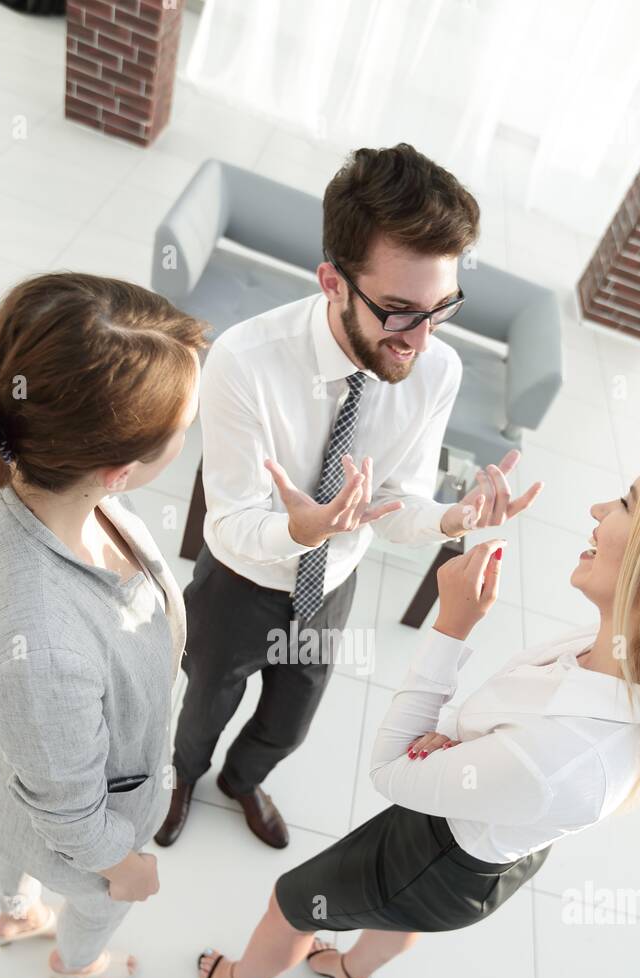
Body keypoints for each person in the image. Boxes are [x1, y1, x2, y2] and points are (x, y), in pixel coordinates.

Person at [196, 438, 640, 978]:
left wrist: (450, 630)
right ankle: (349, 970)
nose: (597, 511)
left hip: (437, 855)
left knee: (293, 903)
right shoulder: (620, 649)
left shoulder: (558, 761)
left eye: (627, 504)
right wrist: (473, 752)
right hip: (484, 851)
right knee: (401, 911)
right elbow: (520, 727)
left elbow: (390, 769)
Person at [155, 141, 541, 851]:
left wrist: (452, 518)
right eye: (399, 311)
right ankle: (181, 777)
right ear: (332, 282)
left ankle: (242, 782)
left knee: (290, 720)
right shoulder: (244, 360)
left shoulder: (437, 366)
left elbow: (398, 504)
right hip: (240, 581)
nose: (420, 340)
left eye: (440, 309)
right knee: (204, 701)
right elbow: (233, 521)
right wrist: (299, 530)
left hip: (330, 586)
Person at [0, 272, 205, 978]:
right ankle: (77, 964)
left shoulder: (20, 468)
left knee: (8, 841)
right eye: (184, 427)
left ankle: (15, 911)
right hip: (79, 814)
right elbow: (74, 816)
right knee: (98, 903)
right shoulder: (44, 647)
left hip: (14, 768)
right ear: (117, 471)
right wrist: (123, 865)